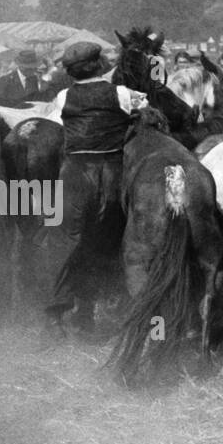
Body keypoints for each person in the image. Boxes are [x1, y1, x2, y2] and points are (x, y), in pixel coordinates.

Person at [42, 42, 146, 339]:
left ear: (71, 72)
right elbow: (150, 110)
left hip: (74, 177)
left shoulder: (63, 97)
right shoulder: (122, 94)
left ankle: (55, 318)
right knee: (110, 243)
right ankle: (120, 309)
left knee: (66, 244)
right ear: (100, 65)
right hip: (113, 177)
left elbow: (53, 125)